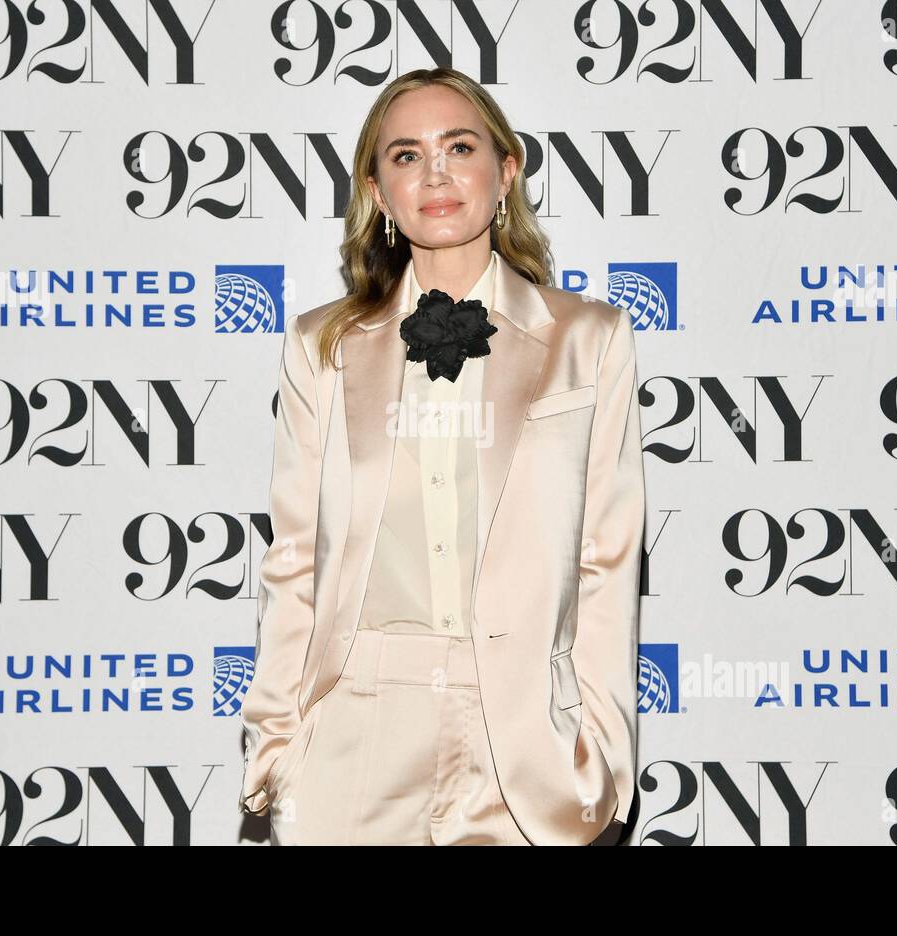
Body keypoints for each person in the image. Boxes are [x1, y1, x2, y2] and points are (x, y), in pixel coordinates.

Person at [238, 67, 646, 845]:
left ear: (506, 171)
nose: (434, 173)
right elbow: (294, 562)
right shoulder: (320, 345)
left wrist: (606, 758)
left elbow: (608, 560)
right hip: (354, 733)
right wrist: (276, 748)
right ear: (376, 190)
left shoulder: (588, 339)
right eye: (404, 155)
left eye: (459, 147)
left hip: (525, 741)